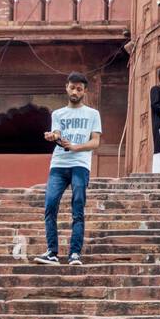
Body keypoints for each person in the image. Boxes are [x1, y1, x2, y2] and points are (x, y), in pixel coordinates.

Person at [32, 73, 101, 264]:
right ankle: (52, 252)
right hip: (59, 164)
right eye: (72, 88)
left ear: (85, 91)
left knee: (77, 208)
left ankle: (75, 253)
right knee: (50, 206)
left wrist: (76, 147)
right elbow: (57, 134)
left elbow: (95, 142)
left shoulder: (92, 114)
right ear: (66, 87)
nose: (75, 92)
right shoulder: (58, 114)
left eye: (79, 89)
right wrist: (52, 137)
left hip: (80, 165)